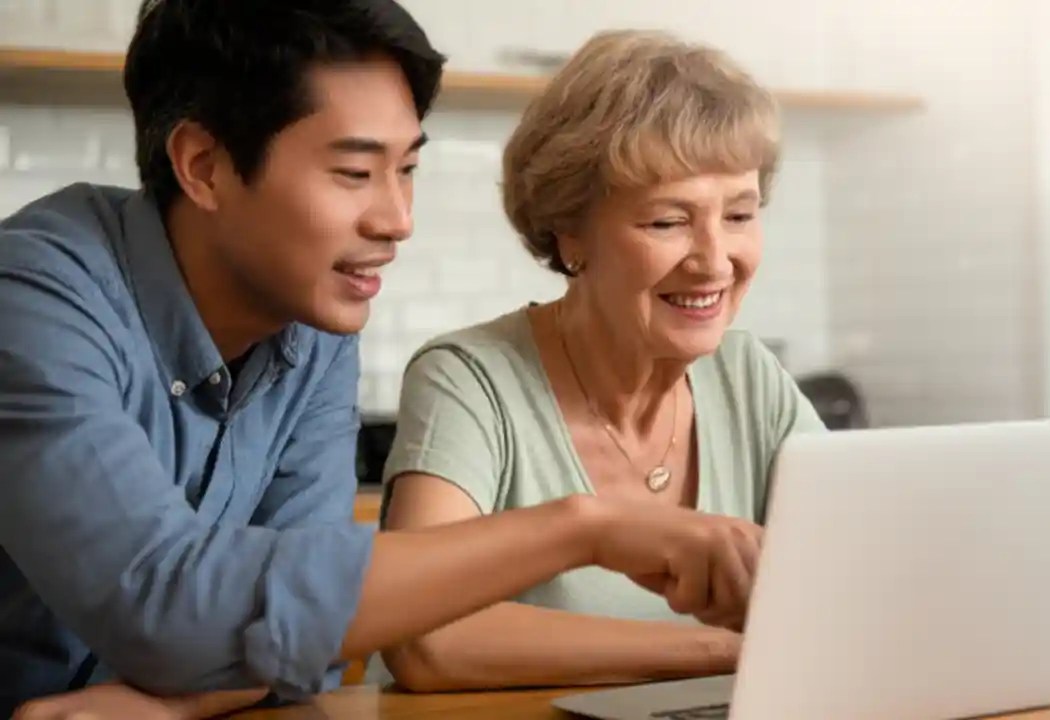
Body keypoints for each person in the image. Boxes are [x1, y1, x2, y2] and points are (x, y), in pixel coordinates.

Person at [0, 4, 761, 719]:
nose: (397, 221)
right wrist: (584, 528)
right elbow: (171, 604)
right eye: (355, 173)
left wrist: (173, 703)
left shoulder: (314, 325)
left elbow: (317, 637)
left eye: (407, 170)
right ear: (202, 165)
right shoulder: (34, 296)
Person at [377, 29, 1050, 693]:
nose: (715, 260)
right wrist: (726, 653)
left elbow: (870, 573)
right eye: (668, 220)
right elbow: (426, 641)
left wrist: (1012, 610)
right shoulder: (469, 378)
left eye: (740, 213)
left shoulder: (746, 375)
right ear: (570, 233)